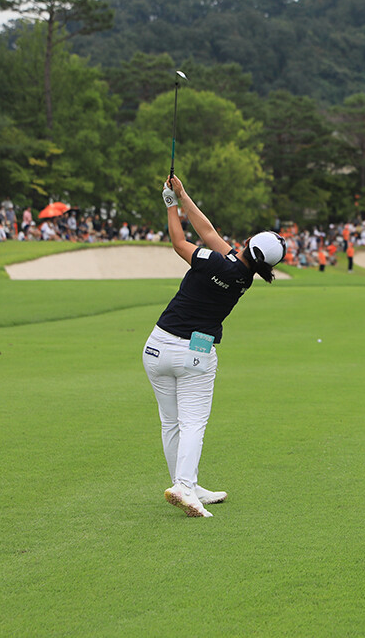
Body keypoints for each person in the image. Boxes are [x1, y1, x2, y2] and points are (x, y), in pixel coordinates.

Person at [142, 174, 286, 518]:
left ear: (249, 245)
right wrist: (182, 194)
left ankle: (186, 483)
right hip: (193, 354)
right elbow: (208, 233)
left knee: (172, 423)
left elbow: (180, 242)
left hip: (157, 347)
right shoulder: (243, 275)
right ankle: (184, 485)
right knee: (193, 423)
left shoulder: (219, 263)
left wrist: (169, 204)